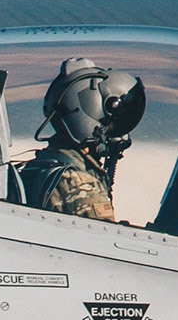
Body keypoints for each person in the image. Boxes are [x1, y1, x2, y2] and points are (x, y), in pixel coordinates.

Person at [21, 58, 144, 221]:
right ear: (91, 116)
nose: (119, 134)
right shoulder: (79, 183)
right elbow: (105, 239)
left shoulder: (43, 163)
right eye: (114, 124)